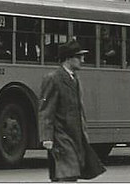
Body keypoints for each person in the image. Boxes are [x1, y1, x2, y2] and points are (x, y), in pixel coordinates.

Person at [39, 40, 107, 182]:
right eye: (79, 57)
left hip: (74, 135)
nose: (82, 60)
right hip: (61, 136)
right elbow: (46, 110)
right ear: (68, 58)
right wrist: (47, 137)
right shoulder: (53, 79)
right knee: (68, 173)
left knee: (71, 172)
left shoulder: (75, 79)